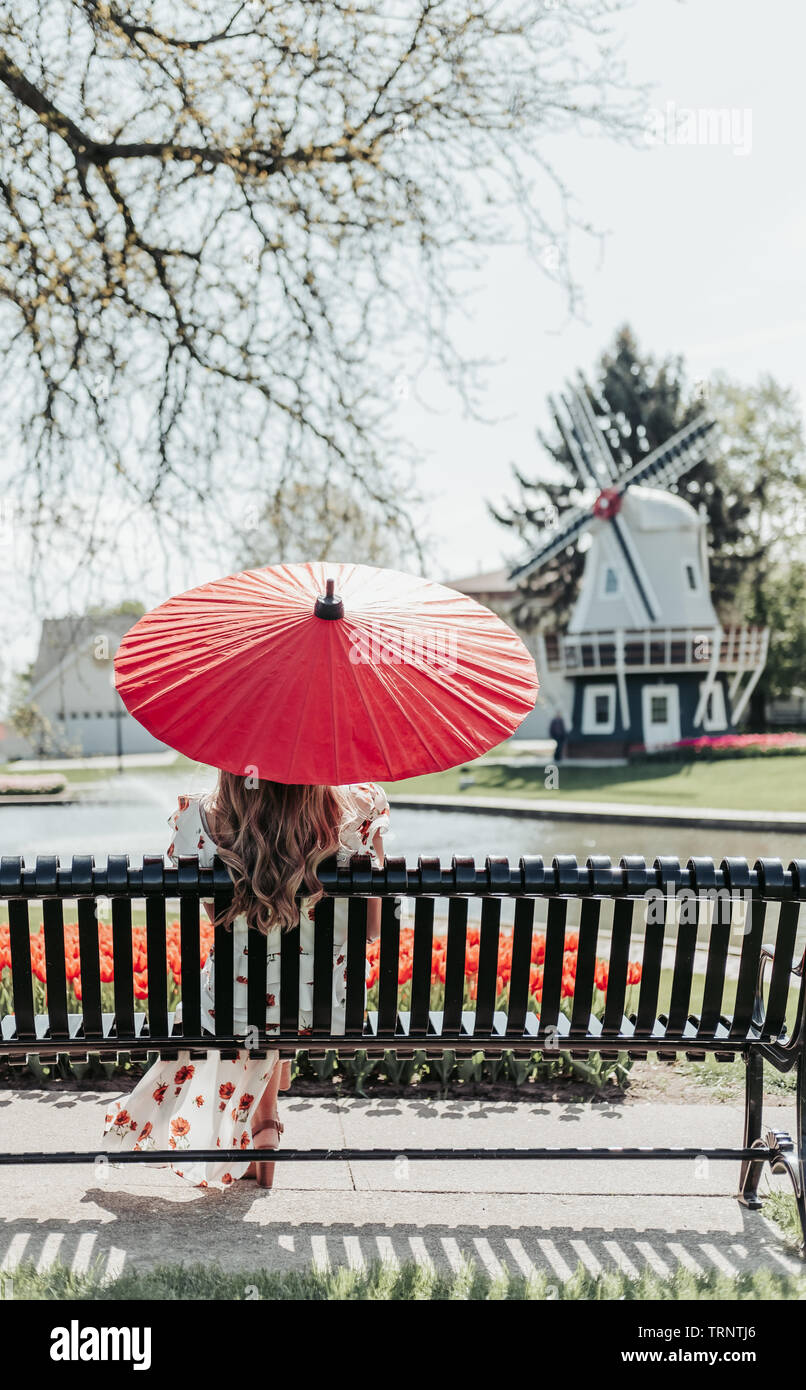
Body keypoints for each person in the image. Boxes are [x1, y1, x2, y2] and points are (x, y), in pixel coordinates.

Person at [102, 775, 390, 1190]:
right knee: (287, 993)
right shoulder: (362, 806)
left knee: (256, 990)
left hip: (228, 1008)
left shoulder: (199, 816)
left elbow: (217, 919)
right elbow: (373, 930)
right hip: (330, 1007)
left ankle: (263, 1126)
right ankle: (266, 1124)